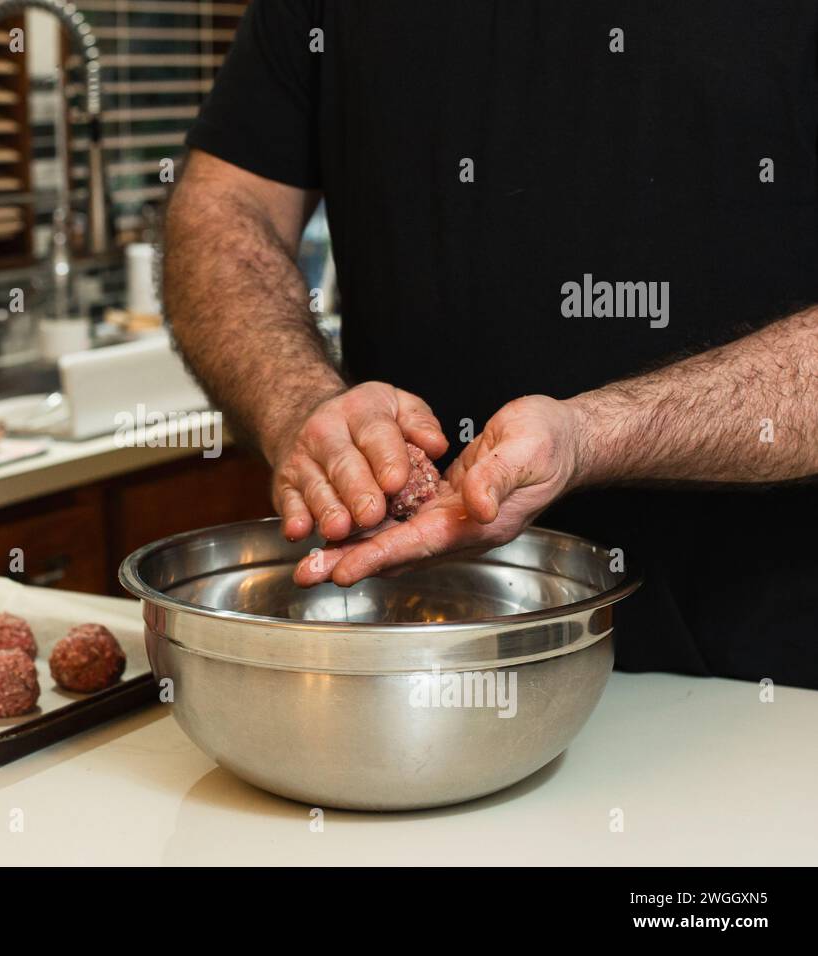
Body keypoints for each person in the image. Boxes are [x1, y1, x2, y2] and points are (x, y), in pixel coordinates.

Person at [162, 0, 818, 687]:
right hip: (419, 659)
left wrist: (593, 434)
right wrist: (301, 406)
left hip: (768, 680)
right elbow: (224, 207)